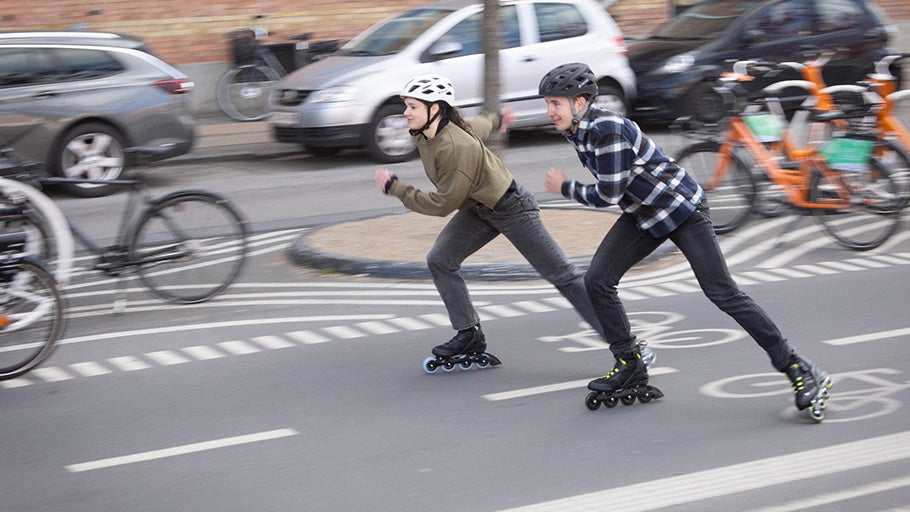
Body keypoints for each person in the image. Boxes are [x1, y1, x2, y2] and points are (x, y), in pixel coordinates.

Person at [538, 62, 831, 418]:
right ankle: (630, 362)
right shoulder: (579, 129)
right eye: (548, 103)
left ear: (581, 102)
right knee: (598, 279)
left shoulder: (606, 130)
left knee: (723, 293)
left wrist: (566, 187)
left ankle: (799, 367)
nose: (549, 111)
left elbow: (608, 194)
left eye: (555, 103)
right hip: (645, 213)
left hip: (682, 210)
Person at [374, 74, 622, 366]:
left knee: (563, 274)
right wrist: (497, 118)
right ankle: (469, 333)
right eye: (407, 105)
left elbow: (444, 204)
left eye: (413, 106)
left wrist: (396, 188)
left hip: (511, 207)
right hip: (480, 208)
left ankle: (623, 342)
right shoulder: (433, 131)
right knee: (440, 260)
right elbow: (477, 126)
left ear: (435, 109)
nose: (405, 112)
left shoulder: (454, 146)